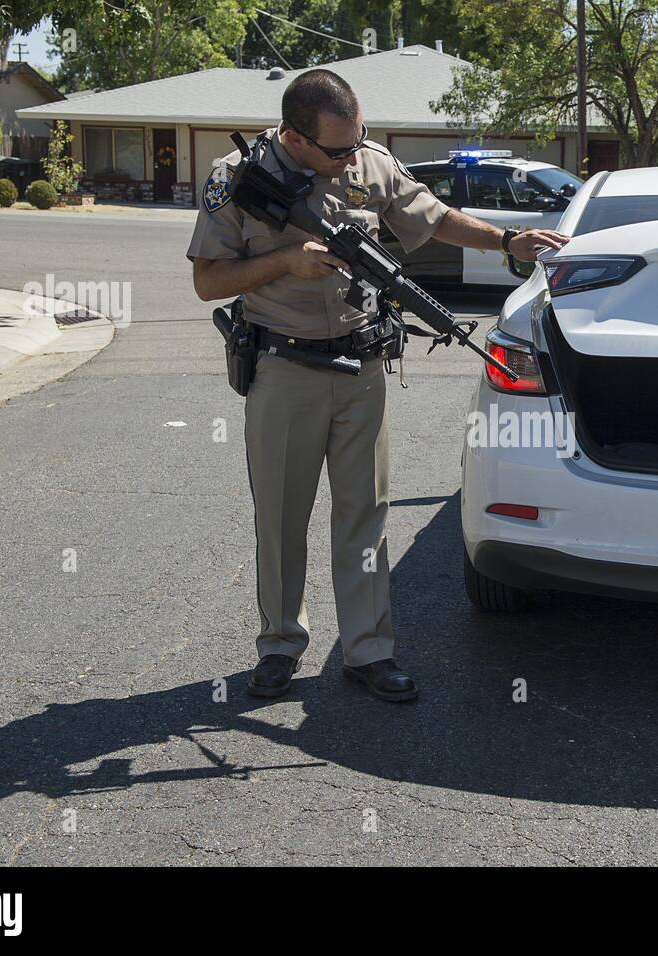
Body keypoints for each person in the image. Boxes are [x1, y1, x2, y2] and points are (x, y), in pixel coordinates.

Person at [188, 69, 568, 702]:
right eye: (337, 149)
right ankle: (280, 644)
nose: (349, 159)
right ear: (293, 136)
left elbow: (434, 215)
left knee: (365, 515)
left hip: (363, 369)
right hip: (284, 369)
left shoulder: (369, 162)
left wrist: (507, 240)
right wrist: (288, 260)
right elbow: (207, 281)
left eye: (357, 141)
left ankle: (368, 650)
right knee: (282, 518)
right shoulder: (235, 175)